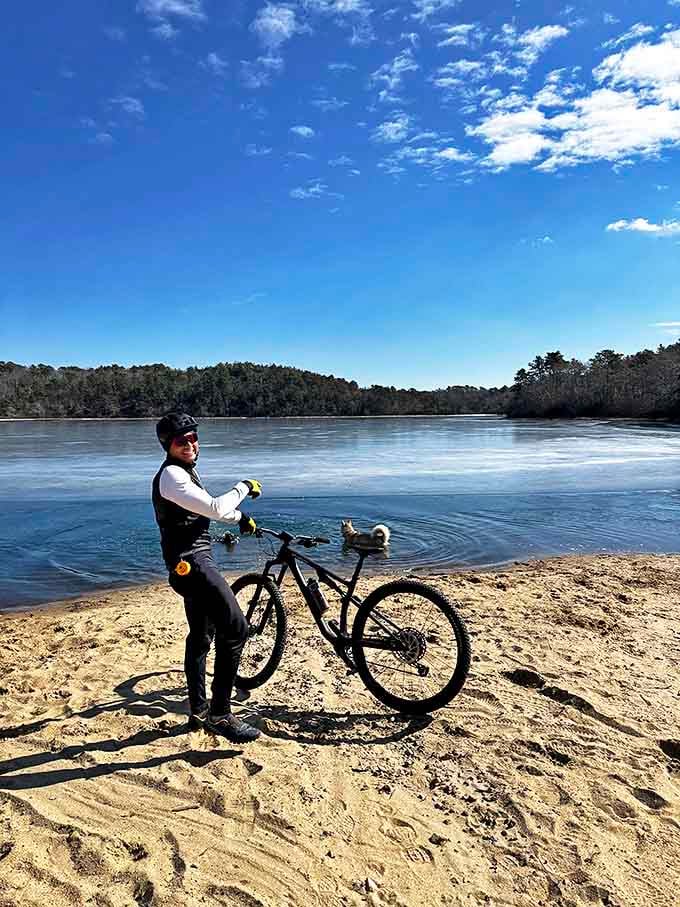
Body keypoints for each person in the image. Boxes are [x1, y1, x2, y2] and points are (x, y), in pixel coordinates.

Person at [152, 411, 262, 743]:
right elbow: (214, 507)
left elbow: (206, 510)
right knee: (236, 628)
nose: (190, 444)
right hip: (192, 564)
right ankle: (221, 714)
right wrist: (243, 487)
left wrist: (239, 518)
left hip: (190, 563)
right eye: (181, 440)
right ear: (168, 445)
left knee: (201, 637)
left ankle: (199, 711)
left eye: (193, 437)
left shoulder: (184, 474)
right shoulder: (172, 475)